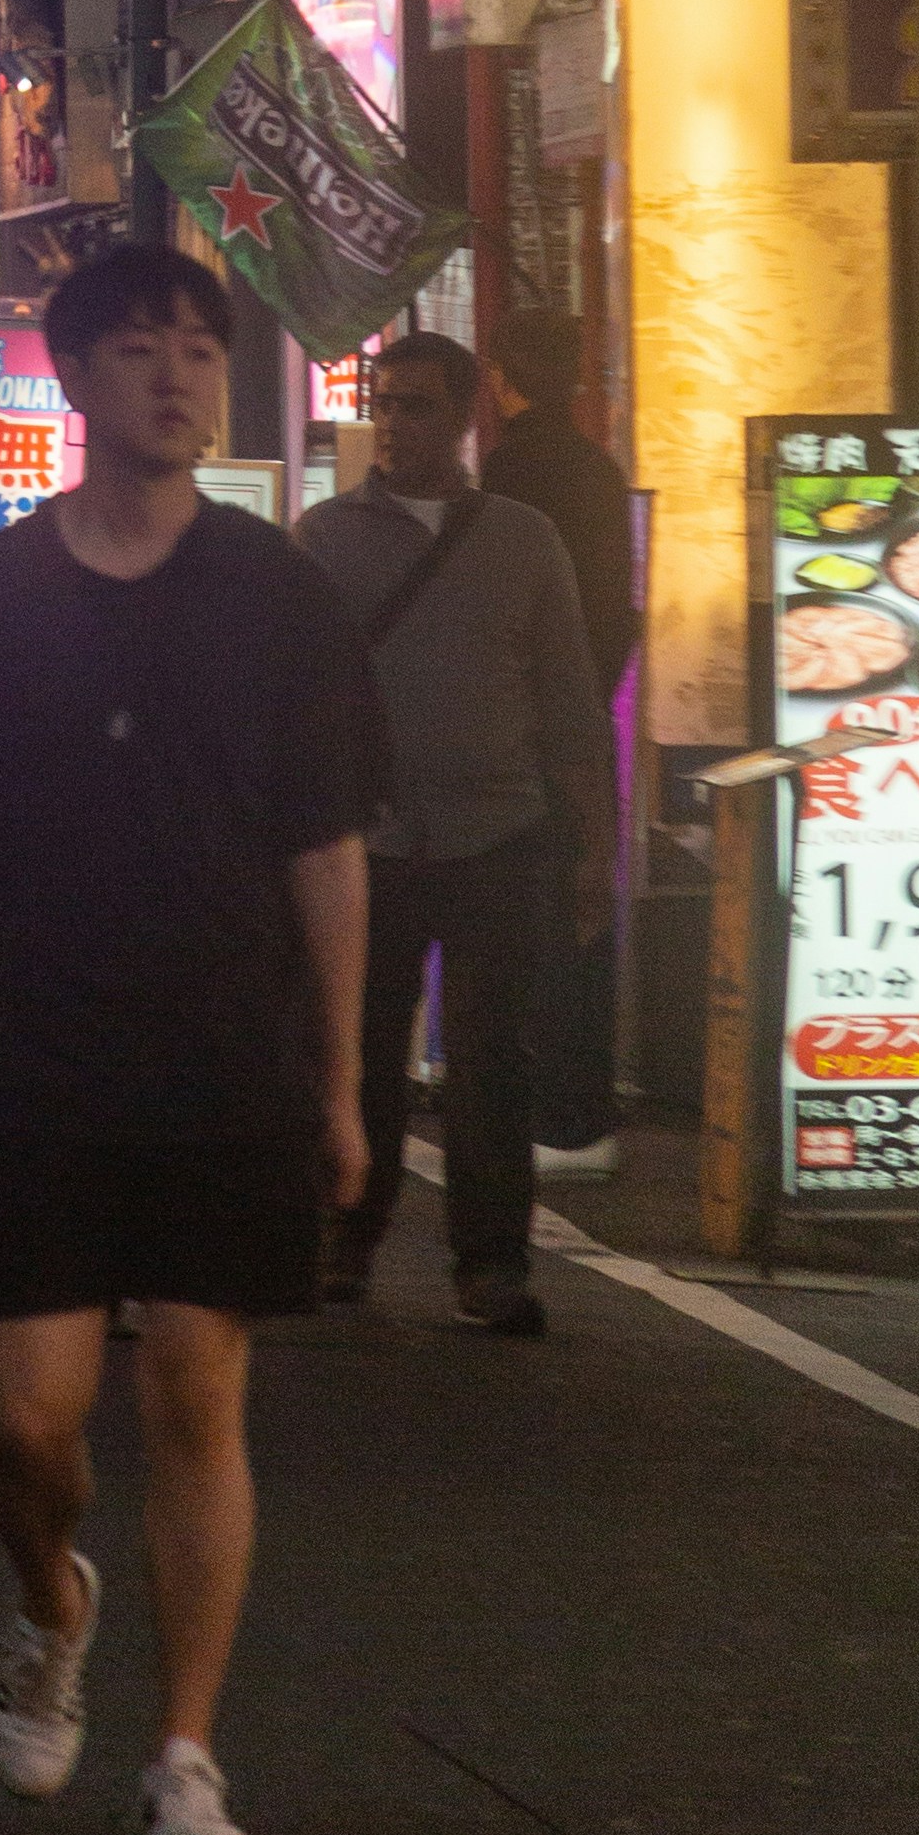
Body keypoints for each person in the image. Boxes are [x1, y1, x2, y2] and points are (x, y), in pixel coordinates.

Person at [0, 240, 375, 1835]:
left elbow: (326, 845)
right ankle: (51, 1598)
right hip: (41, 1043)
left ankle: (185, 1753)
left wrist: (348, 1080)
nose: (176, 373)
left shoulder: (278, 592)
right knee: (29, 1424)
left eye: (198, 348)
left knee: (198, 1389)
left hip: (229, 1041)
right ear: (74, 379)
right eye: (141, 347)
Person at [295, 331, 608, 1337]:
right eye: (383, 403)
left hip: (500, 834)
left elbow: (568, 700)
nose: (394, 423)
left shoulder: (523, 540)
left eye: (418, 404)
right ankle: (345, 1239)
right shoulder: (326, 537)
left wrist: (596, 848)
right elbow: (288, 700)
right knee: (358, 1053)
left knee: (492, 1066)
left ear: (470, 413)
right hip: (367, 844)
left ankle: (491, 1263)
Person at [480, 303, 640, 1176]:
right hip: (585, 711)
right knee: (583, 902)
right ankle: (582, 1111)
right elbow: (616, 609)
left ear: (502, 380)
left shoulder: (507, 468)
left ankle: (547, 1106)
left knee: (521, 910)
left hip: (523, 722)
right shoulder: (599, 470)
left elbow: (502, 604)